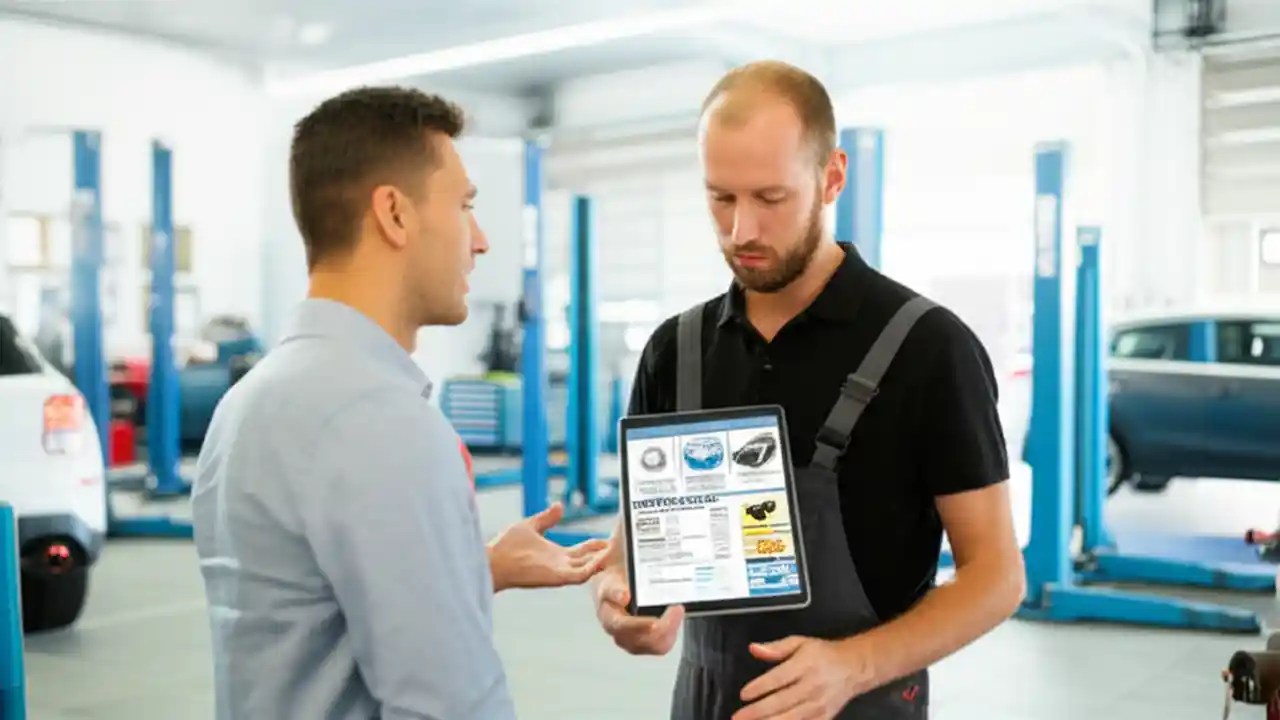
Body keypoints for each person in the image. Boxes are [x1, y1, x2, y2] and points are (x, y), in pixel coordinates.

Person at [590, 61, 1026, 719]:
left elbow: (996, 577)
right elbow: (633, 549)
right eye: (720, 198)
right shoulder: (673, 352)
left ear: (832, 178)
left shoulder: (928, 349)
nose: (742, 232)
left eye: (770, 198)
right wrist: (616, 598)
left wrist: (853, 666)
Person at [191, 86, 610, 720]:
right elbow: (451, 706)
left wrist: (478, 565)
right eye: (464, 205)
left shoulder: (252, 402)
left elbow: (310, 614)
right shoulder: (381, 424)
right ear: (394, 213)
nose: (481, 239)